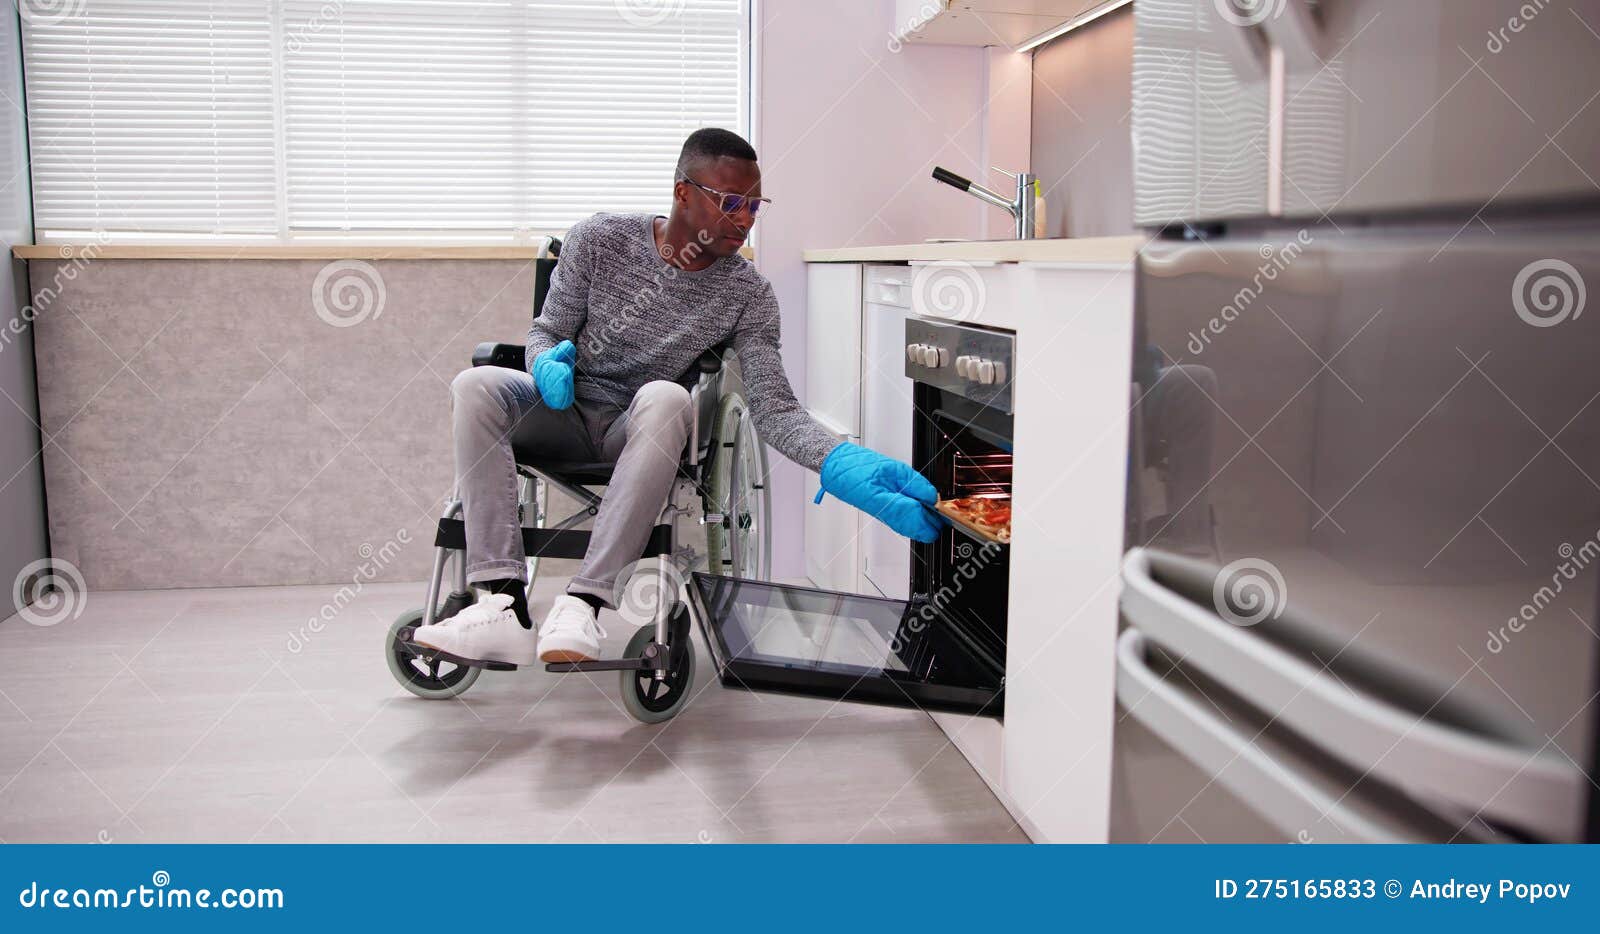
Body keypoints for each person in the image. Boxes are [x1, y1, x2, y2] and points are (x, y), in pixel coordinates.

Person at [411, 128, 942, 667]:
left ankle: (584, 602)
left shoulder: (747, 294)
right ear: (683, 192)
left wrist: (838, 459)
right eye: (731, 203)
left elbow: (775, 409)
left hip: (640, 430)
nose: (746, 219)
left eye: (755, 205)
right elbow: (547, 330)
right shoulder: (599, 239)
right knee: (474, 385)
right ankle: (502, 603)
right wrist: (544, 362)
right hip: (561, 410)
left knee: (667, 396)